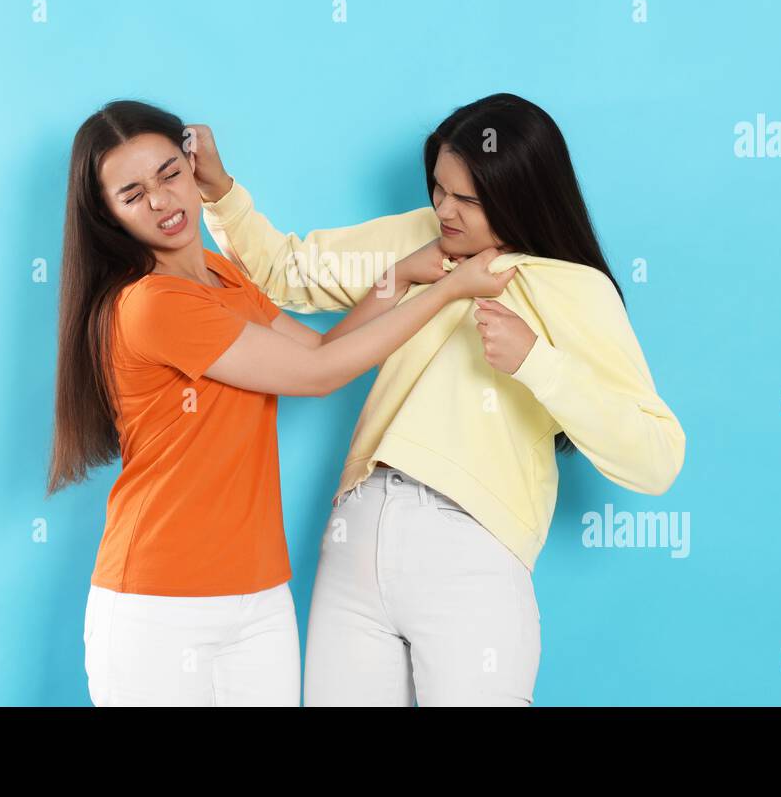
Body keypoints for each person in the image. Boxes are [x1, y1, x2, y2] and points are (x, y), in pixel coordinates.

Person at [189, 92, 688, 705]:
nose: (444, 211)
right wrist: (220, 191)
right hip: (357, 531)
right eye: (438, 189)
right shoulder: (425, 241)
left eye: (467, 200)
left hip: (472, 547)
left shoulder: (573, 287)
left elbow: (657, 456)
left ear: (520, 195)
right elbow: (287, 272)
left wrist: (538, 363)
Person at [45, 99, 514, 706]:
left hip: (260, 596)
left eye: (169, 173)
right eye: (132, 194)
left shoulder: (221, 277)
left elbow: (323, 349)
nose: (162, 201)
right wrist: (451, 287)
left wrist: (398, 279)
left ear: (191, 168)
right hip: (158, 604)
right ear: (107, 214)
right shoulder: (153, 304)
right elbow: (318, 375)